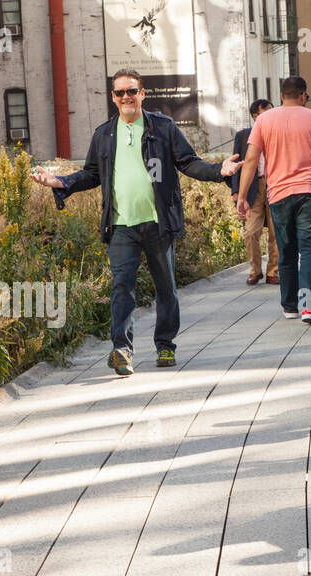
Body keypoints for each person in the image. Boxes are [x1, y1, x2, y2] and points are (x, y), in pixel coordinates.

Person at [30, 68, 242, 376]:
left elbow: (187, 162)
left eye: (132, 91)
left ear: (142, 94)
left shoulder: (163, 128)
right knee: (121, 287)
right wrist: (61, 182)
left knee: (166, 287)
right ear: (113, 98)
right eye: (120, 93)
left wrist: (217, 170)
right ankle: (122, 350)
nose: (126, 97)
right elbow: (90, 174)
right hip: (120, 225)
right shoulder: (104, 134)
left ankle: (166, 345)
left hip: (158, 222)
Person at [235, 75, 311, 326]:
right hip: (310, 193)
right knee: (310, 250)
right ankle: (309, 307)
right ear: (303, 96)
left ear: (281, 96)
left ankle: (290, 306)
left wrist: (242, 196)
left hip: (279, 195)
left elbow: (250, 160)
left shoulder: (264, 120)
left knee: (286, 251)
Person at [230, 98, 279, 287]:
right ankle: (255, 271)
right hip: (252, 187)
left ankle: (273, 272)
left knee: (277, 232)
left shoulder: (277, 133)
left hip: (275, 185)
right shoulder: (243, 136)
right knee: (250, 232)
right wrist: (236, 191)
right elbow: (237, 163)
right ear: (255, 116)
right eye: (267, 111)